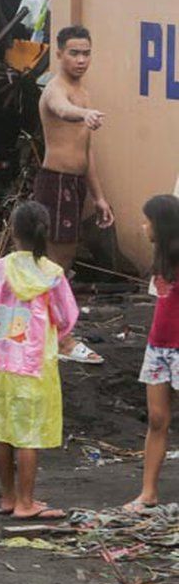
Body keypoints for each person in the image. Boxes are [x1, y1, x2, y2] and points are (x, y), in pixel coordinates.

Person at [0, 200, 78, 519]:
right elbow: (65, 316)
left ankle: (8, 497)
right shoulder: (52, 273)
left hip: (0, 360)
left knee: (2, 431)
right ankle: (26, 503)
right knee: (29, 434)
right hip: (33, 361)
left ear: (13, 232)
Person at [35, 26, 112, 365]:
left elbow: (87, 151)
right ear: (59, 54)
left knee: (58, 266)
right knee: (56, 264)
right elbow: (62, 109)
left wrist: (99, 197)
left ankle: (47, 333)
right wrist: (84, 114)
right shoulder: (56, 89)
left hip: (75, 184)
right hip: (56, 183)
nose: (81, 60)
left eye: (86, 53)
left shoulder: (84, 92)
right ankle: (60, 340)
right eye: (74, 53)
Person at [126, 194, 179, 513]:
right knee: (157, 419)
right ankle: (148, 493)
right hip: (158, 347)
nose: (143, 226)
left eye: (148, 221)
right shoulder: (161, 260)